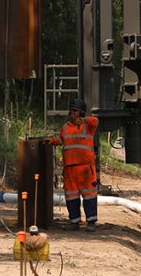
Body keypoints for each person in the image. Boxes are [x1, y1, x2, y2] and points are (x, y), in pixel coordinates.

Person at [49, 98, 99, 230]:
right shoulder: (65, 127)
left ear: (81, 112)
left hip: (85, 168)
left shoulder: (88, 125)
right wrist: (51, 140)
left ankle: (91, 222)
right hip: (70, 168)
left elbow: (96, 121)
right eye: (70, 110)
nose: (71, 113)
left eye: (75, 110)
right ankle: (74, 222)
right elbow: (60, 139)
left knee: (89, 195)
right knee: (71, 196)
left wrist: (84, 120)